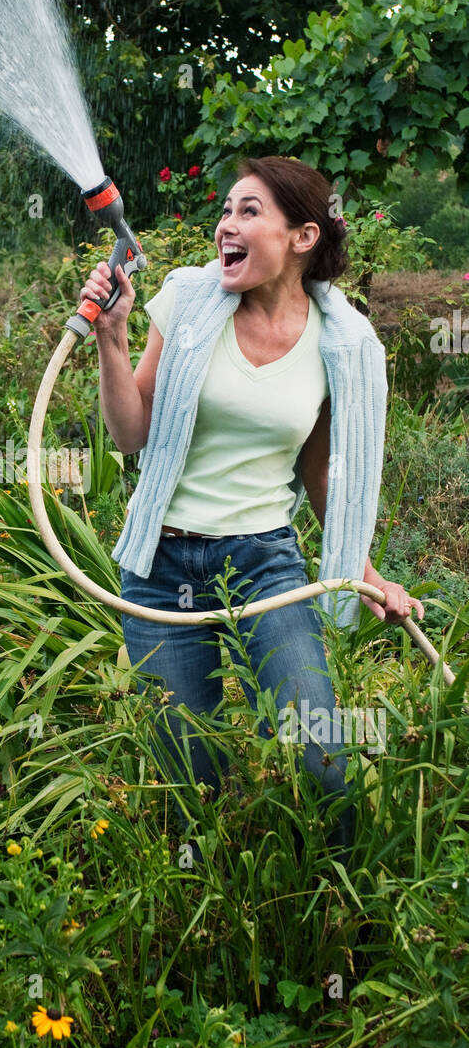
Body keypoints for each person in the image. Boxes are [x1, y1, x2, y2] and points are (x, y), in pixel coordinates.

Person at [79, 155, 424, 861]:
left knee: (319, 755)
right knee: (191, 780)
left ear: (301, 236)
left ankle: (335, 919)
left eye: (248, 211)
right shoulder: (187, 299)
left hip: (263, 562)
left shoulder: (341, 343)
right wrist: (111, 339)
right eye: (226, 209)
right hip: (161, 565)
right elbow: (131, 433)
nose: (224, 226)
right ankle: (209, 936)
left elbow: (323, 472)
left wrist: (362, 571)